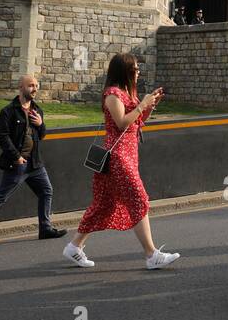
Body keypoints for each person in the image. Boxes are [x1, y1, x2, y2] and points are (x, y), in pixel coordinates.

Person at [64, 54, 180, 270]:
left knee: (104, 205)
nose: (138, 72)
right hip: (117, 156)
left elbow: (137, 123)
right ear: (124, 71)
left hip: (129, 154)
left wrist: (149, 106)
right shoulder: (112, 94)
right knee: (138, 198)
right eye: (134, 69)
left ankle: (74, 246)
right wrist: (141, 104)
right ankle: (151, 254)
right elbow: (121, 123)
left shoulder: (127, 93)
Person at [0, 74, 65, 248]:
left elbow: (42, 135)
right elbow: (3, 137)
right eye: (31, 85)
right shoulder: (8, 111)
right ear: (20, 87)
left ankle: (45, 227)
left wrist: (41, 124)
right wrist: (16, 156)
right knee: (0, 197)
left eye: (36, 85)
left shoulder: (37, 110)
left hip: (35, 163)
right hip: (17, 164)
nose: (35, 89)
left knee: (46, 191)